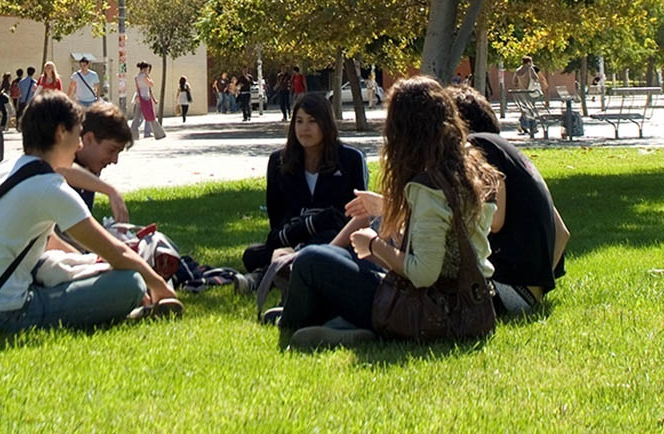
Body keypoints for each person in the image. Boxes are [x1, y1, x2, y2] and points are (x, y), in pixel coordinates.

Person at [277, 77, 501, 349]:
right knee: (335, 254)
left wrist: (374, 245)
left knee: (312, 259)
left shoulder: (428, 188)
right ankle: (340, 324)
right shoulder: (467, 171)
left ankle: (292, 323)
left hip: (428, 311)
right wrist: (386, 208)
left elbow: (424, 274)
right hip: (465, 300)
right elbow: (445, 229)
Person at [0, 91, 180, 334]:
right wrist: (158, 286)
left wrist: (86, 267)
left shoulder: (8, 171)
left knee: (92, 270)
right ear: (61, 133)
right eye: (77, 133)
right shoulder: (49, 187)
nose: (80, 144)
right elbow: (117, 251)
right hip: (8, 314)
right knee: (131, 283)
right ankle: (134, 306)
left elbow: (50, 240)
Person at [447, 85, 570, 315]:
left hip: (507, 290)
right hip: (530, 293)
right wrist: (537, 282)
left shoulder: (477, 147)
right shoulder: (511, 155)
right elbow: (562, 233)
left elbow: (494, 219)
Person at [237, 93, 368, 291]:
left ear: (326, 124)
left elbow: (352, 217)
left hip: (334, 240)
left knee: (323, 243)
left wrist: (315, 224)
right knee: (252, 254)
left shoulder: (350, 159)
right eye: (299, 121)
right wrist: (293, 235)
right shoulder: (278, 161)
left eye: (312, 121)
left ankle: (261, 278)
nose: (304, 128)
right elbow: (277, 218)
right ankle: (288, 266)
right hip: (291, 236)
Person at [130, 61, 164, 139]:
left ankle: (133, 134)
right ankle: (158, 133)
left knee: (136, 117)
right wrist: (148, 77)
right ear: (145, 69)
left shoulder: (136, 77)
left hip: (139, 98)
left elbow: (137, 87)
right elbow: (151, 84)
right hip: (146, 97)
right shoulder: (144, 76)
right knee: (151, 116)